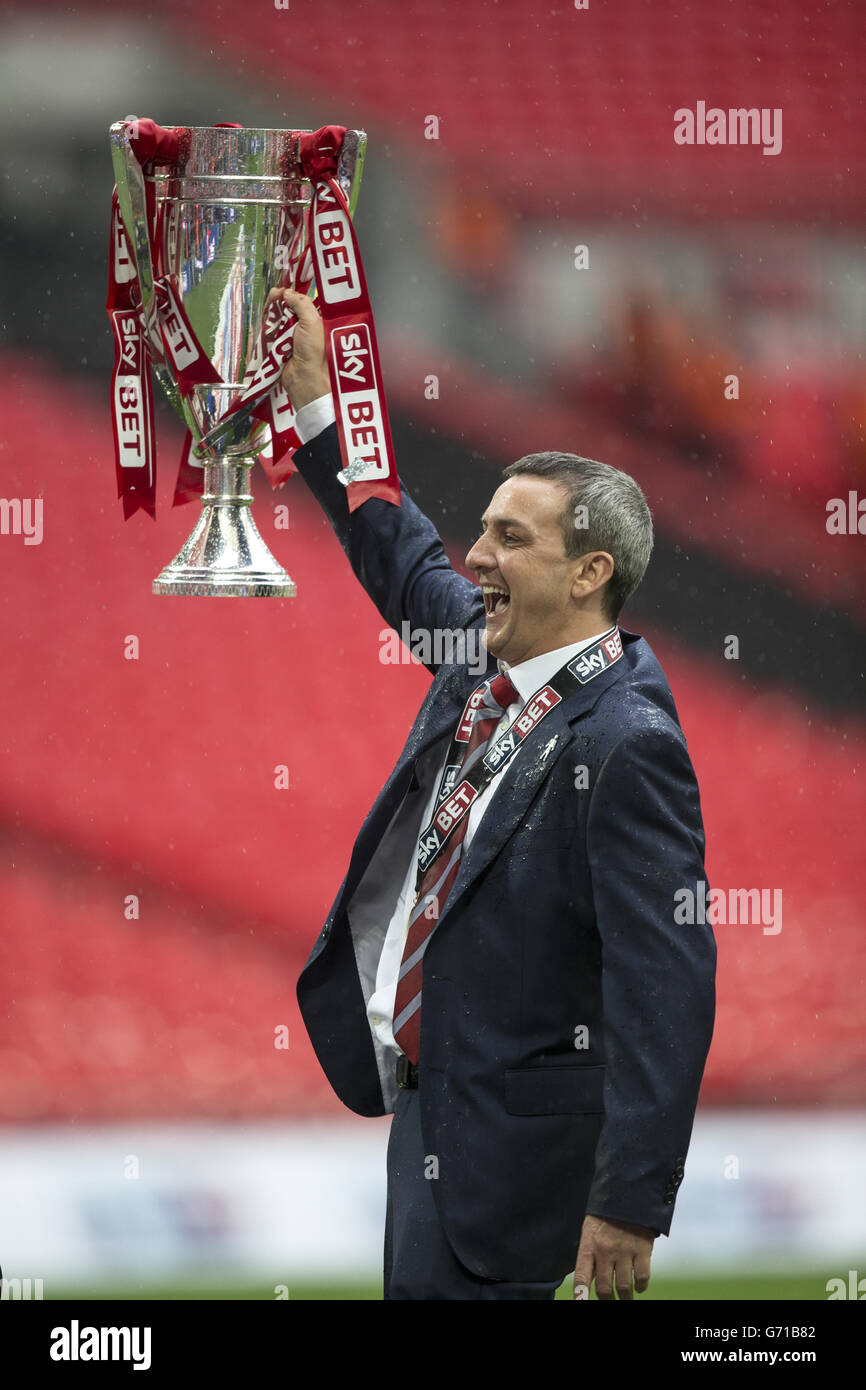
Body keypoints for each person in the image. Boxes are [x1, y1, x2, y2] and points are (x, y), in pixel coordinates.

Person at [278, 288, 716, 1301]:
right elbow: (402, 553)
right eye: (483, 532)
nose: (476, 559)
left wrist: (631, 1200)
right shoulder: (482, 658)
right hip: (433, 1118)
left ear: (588, 573)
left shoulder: (626, 743)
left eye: (510, 541)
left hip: (513, 1164)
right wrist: (317, 407)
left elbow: (665, 984)